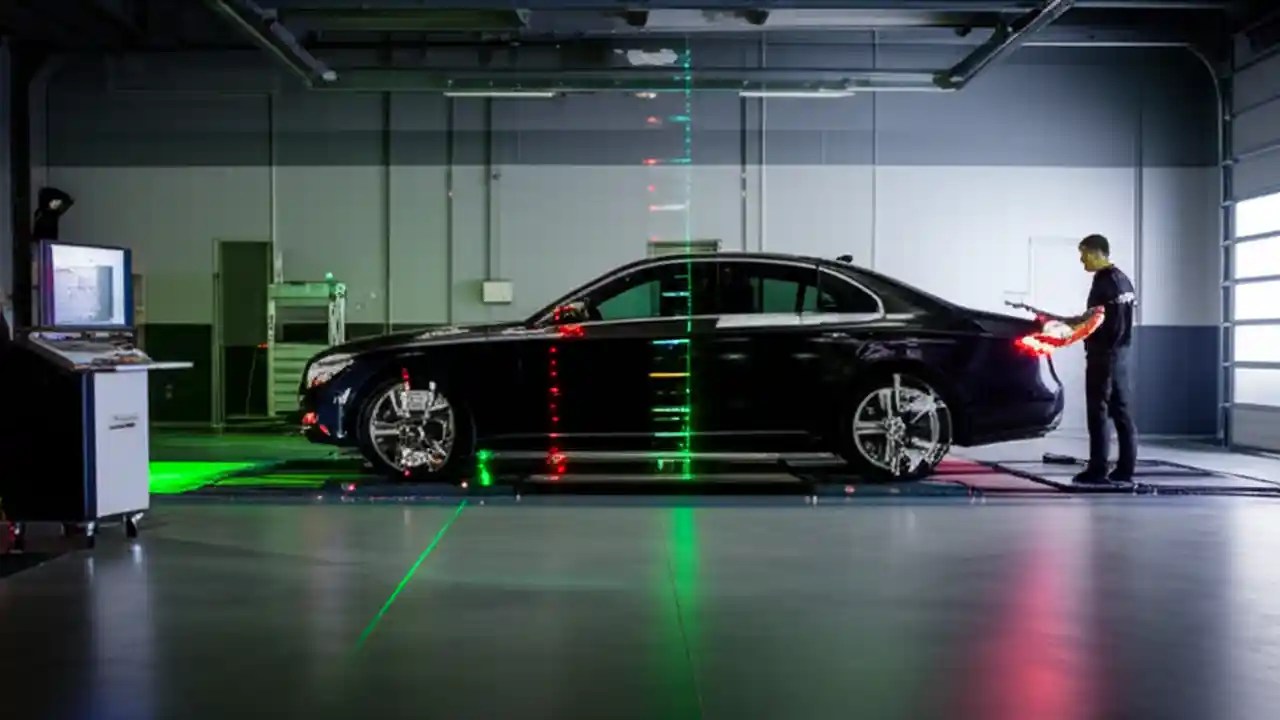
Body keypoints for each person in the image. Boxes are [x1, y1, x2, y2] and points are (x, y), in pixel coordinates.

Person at [1045, 234, 1137, 484]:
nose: (1081, 259)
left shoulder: (1105, 284)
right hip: (1121, 355)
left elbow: (1094, 323)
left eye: (1084, 253)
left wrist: (1063, 335)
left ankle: (1097, 471)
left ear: (1098, 253)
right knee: (1121, 411)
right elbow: (1098, 318)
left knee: (1098, 412)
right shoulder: (1123, 280)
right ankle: (1126, 469)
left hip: (1104, 356)